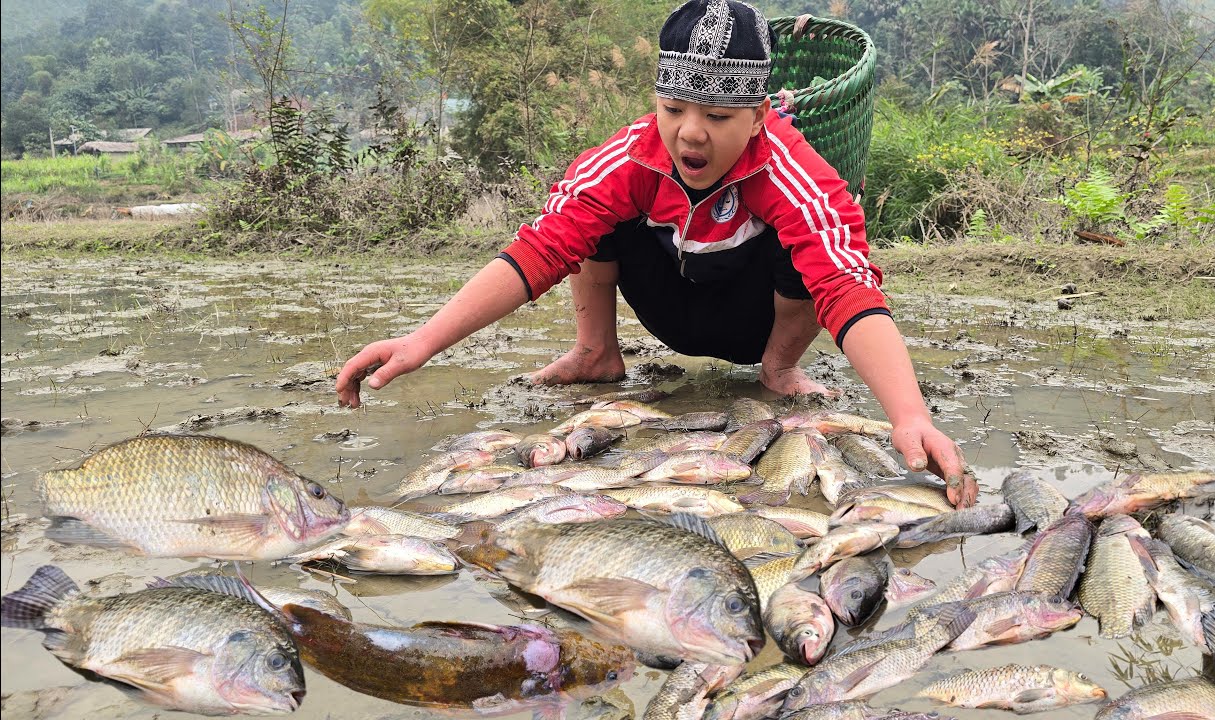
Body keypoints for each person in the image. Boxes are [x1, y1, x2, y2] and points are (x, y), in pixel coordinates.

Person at [335, 0, 978, 507]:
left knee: (808, 255)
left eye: (718, 117)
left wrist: (909, 415)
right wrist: (423, 341)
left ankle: (779, 369)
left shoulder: (794, 173)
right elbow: (539, 249)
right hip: (670, 305)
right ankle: (596, 352)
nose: (690, 133)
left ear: (759, 116)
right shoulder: (631, 158)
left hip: (755, 325)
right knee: (589, 218)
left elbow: (847, 286)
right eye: (674, 109)